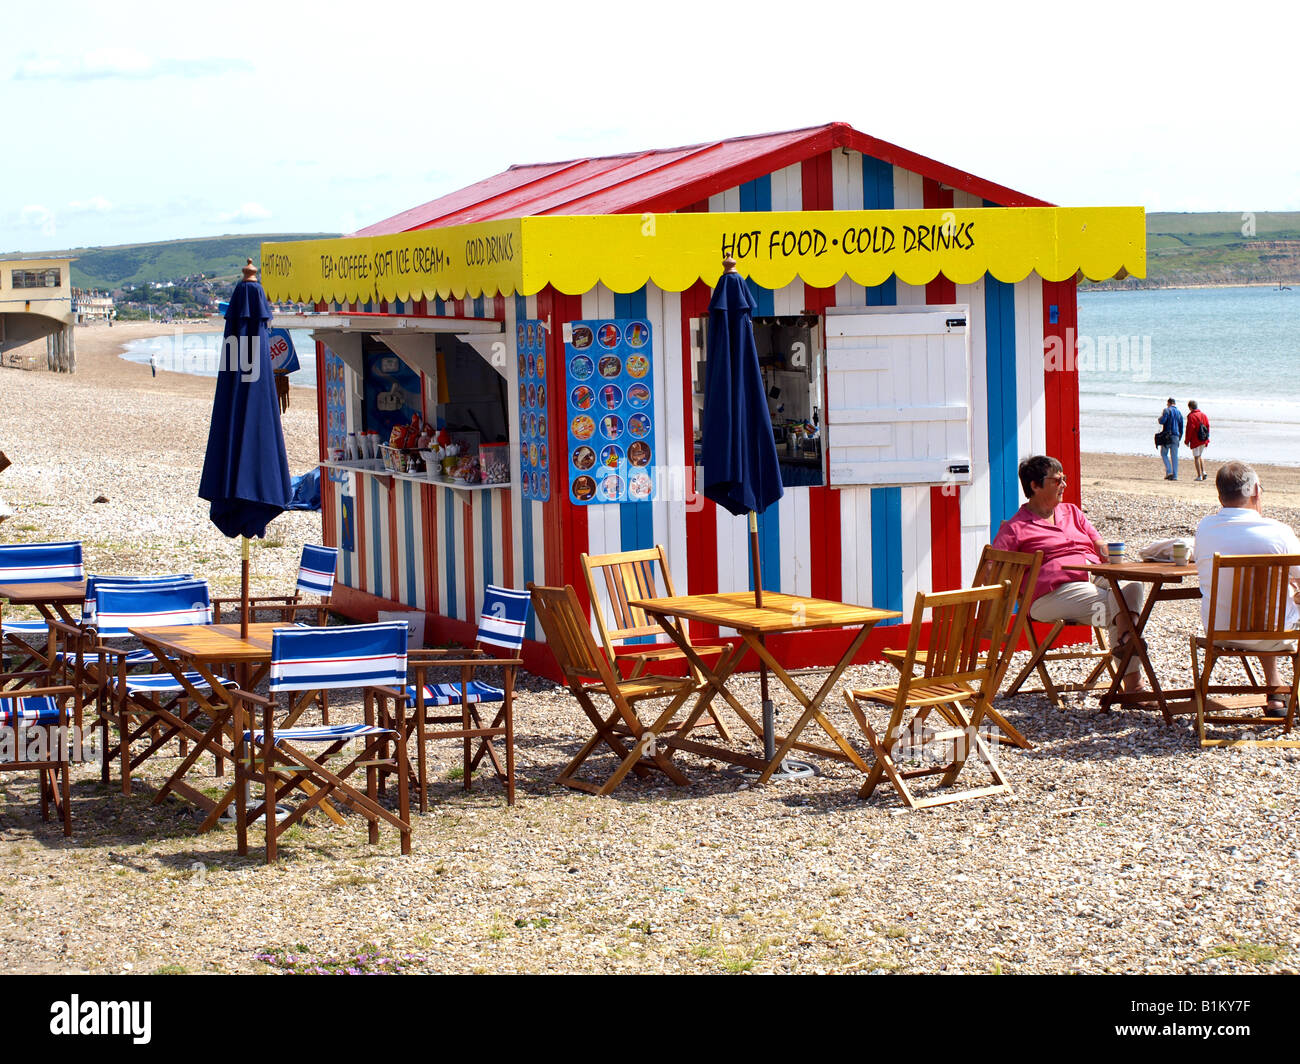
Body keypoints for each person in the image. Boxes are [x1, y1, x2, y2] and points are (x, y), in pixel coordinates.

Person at [992, 455, 1147, 694]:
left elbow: (1098, 543)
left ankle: (1126, 644)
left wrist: (1109, 551)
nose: (1064, 485)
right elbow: (992, 571)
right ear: (1034, 485)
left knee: (1133, 584)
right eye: (1057, 480)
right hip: (1051, 593)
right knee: (1122, 609)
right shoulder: (1016, 528)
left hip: (1093, 571)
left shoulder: (1072, 512)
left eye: (1064, 479)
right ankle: (1134, 685)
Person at [1194, 461, 1300, 716]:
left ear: (1220, 496)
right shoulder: (1279, 532)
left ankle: (1275, 691)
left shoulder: (1205, 529)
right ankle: (1289, 692)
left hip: (1219, 633)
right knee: (1273, 608)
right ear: (1255, 491)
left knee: (1259, 603)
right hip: (1274, 636)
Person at [1157, 397, 1184, 481]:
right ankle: (1175, 475)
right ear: (1174, 403)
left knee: (1164, 453)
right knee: (1174, 456)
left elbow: (1162, 421)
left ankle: (1169, 471)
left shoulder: (1167, 410)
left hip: (1167, 435)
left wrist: (1160, 418)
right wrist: (1180, 437)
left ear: (1168, 403)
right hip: (1176, 435)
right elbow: (1181, 427)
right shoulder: (1179, 413)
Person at [1185, 400, 1210, 481]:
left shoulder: (1191, 416)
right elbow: (1207, 427)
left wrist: (1187, 440)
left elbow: (1190, 429)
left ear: (1190, 407)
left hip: (1195, 440)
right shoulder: (1204, 415)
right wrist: (1207, 439)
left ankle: (1199, 476)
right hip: (1203, 439)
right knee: (1200, 456)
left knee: (1196, 457)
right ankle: (1204, 472)